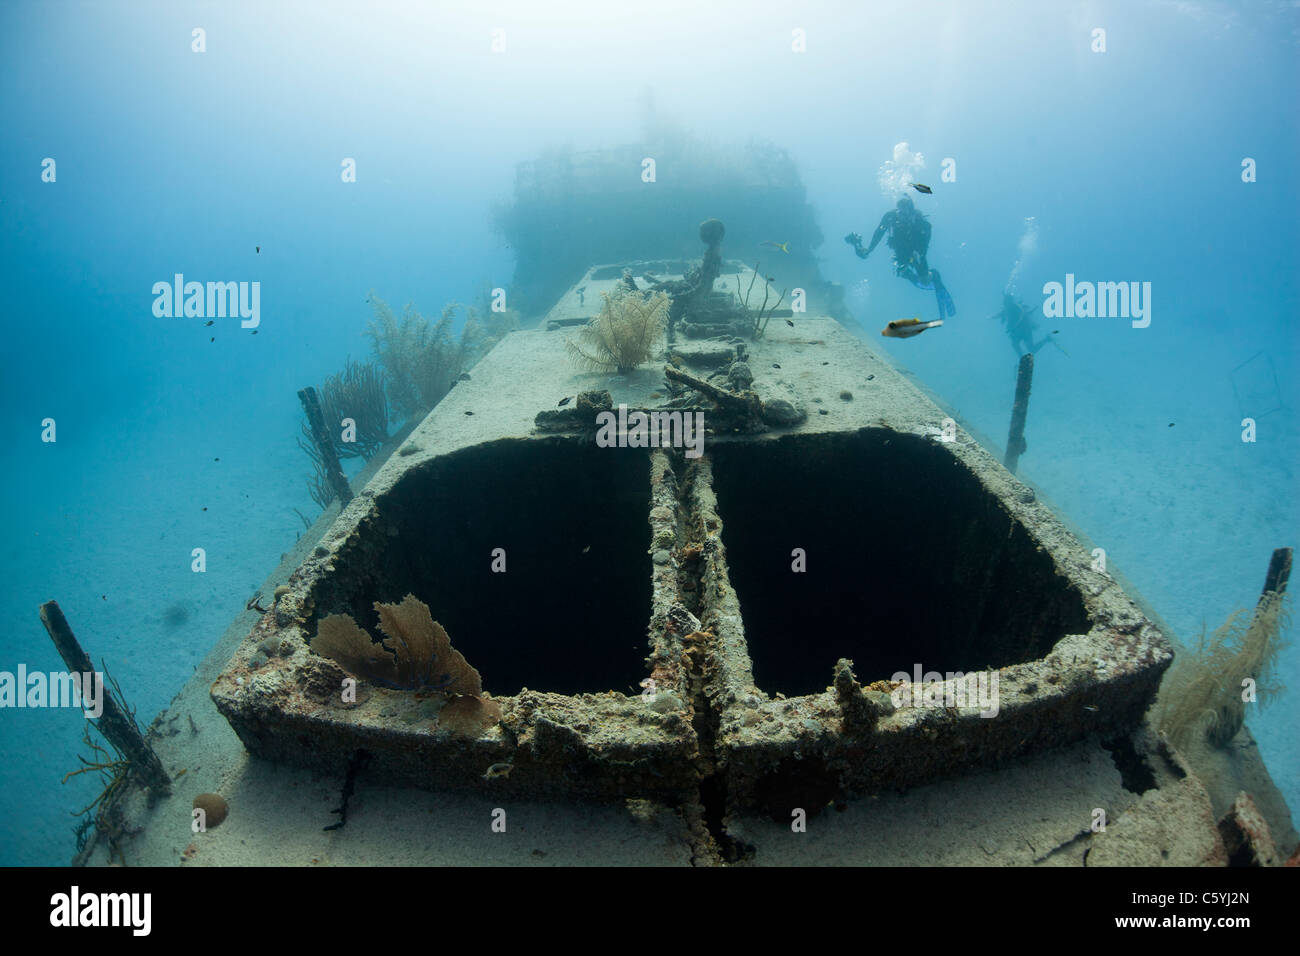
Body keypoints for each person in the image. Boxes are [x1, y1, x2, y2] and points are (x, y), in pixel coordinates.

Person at [846, 195, 956, 319]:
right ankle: (905, 271)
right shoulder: (890, 217)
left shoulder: (922, 224)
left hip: (917, 252)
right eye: (900, 212)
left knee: (924, 281)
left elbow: (924, 246)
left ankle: (934, 275)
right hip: (900, 252)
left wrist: (916, 256)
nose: (903, 216)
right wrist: (869, 248)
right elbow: (879, 232)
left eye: (906, 213)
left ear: (912, 211)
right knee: (895, 269)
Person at [990, 292, 1054, 357]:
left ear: (1009, 301)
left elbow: (1022, 315)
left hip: (1025, 330)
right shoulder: (1007, 309)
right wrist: (990, 317)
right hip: (1017, 332)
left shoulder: (1016, 307)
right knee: (1015, 344)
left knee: (1031, 349)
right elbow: (999, 314)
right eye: (1004, 302)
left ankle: (1046, 339)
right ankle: (1021, 358)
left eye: (1006, 301)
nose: (1004, 303)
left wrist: (1014, 327)